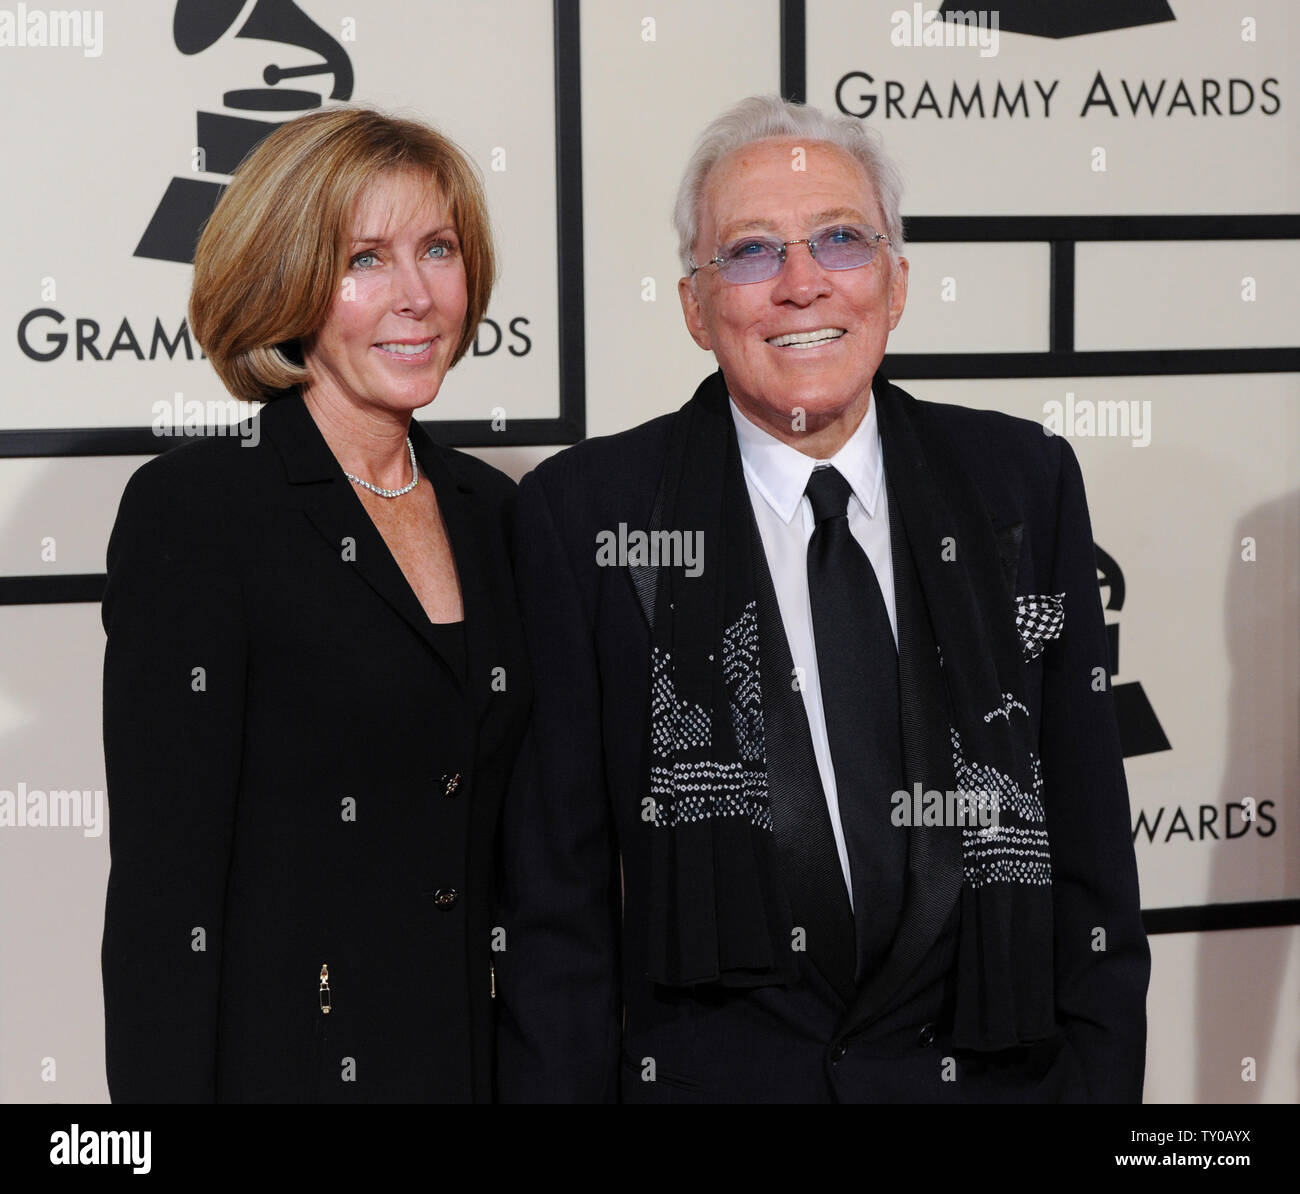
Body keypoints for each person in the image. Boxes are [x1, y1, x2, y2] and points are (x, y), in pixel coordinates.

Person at [496, 94, 1149, 1103]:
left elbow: (1091, 859)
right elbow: (559, 914)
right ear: (694, 305)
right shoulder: (584, 516)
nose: (802, 285)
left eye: (840, 240)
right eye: (752, 253)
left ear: (894, 283)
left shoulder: (1018, 481)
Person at [100, 106, 530, 1102]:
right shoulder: (199, 514)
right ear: (287, 281)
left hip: (477, 1065)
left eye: (437, 250)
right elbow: (168, 899)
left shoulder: (496, 510)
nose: (417, 296)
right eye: (365, 260)